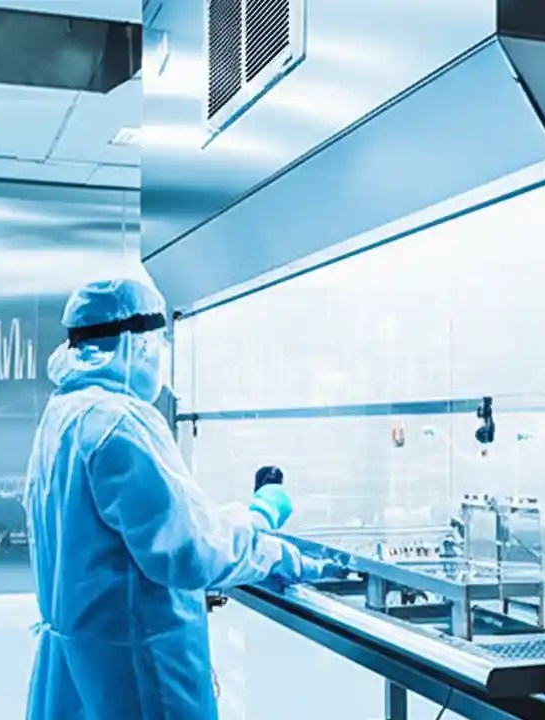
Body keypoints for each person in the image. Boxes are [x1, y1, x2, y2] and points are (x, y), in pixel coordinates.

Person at [24, 277, 341, 720]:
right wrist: (277, 554)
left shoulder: (65, 416)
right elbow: (186, 551)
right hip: (139, 671)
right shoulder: (121, 423)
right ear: (135, 345)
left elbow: (147, 527)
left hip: (88, 664)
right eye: (157, 345)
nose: (158, 358)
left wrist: (254, 517)